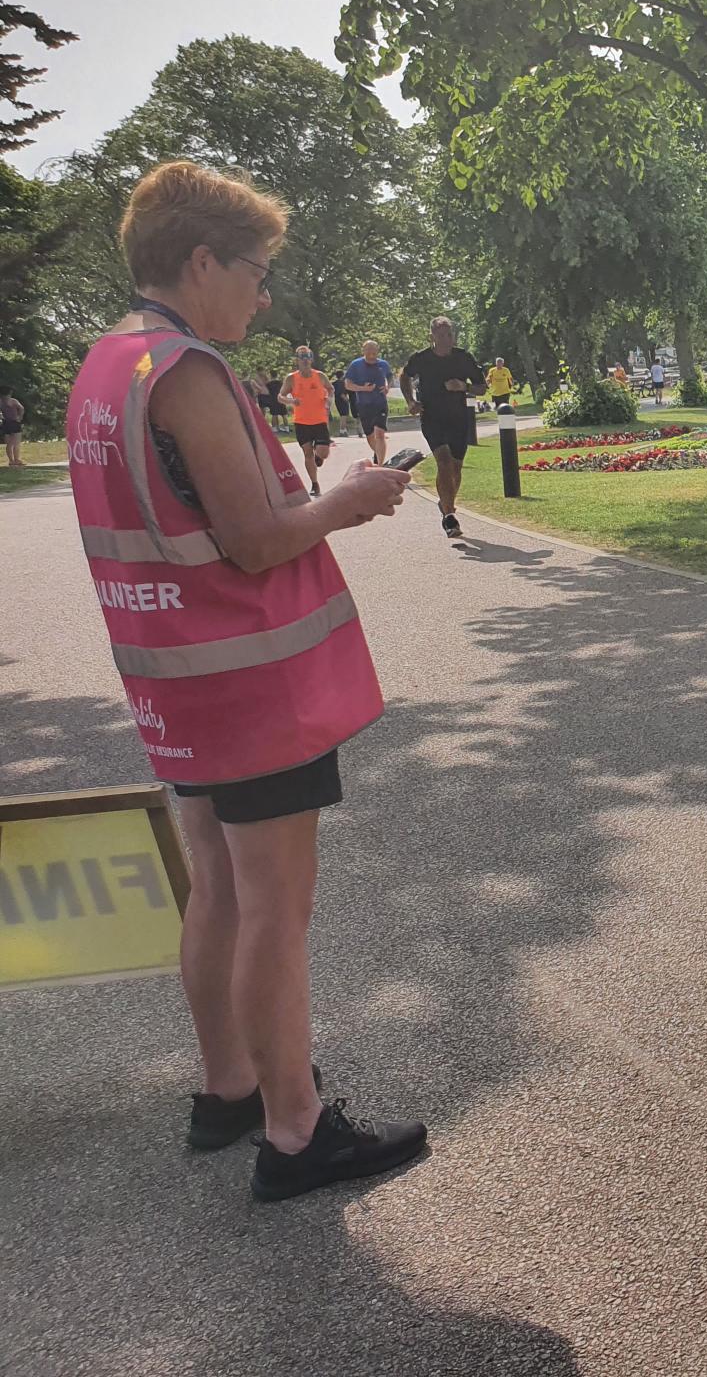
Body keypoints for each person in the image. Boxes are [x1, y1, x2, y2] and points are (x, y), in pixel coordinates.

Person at [64, 160, 424, 1201]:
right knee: (278, 903)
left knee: (217, 888)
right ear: (200, 259)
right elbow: (258, 540)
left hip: (176, 676)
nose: (264, 295)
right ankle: (297, 1128)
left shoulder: (109, 365)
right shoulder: (186, 370)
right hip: (251, 679)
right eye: (256, 271)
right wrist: (350, 500)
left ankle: (228, 1088)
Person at [401, 317, 481, 539]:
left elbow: (482, 387)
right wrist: (410, 401)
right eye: (441, 335)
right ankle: (449, 516)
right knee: (444, 462)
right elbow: (404, 377)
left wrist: (463, 386)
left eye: (449, 334)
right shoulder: (421, 359)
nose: (446, 339)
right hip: (432, 418)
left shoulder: (463, 358)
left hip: (458, 418)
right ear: (432, 337)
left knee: (455, 469)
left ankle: (446, 503)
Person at [281, 345, 333, 497]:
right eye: (302, 357)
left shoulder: (320, 376)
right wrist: (290, 401)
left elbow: (330, 389)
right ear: (297, 360)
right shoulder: (292, 378)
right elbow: (280, 396)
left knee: (323, 453)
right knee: (307, 453)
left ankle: (319, 456)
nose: (305, 360)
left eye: (308, 357)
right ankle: (314, 484)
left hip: (319, 420)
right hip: (302, 422)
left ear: (311, 359)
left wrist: (329, 400)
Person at [344, 339, 395, 466]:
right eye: (368, 352)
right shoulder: (356, 365)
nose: (371, 355)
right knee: (370, 435)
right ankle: (378, 454)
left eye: (374, 352)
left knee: (380, 433)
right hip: (364, 404)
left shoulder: (383, 364)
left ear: (377, 351)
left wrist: (388, 387)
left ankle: (380, 465)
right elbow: (348, 385)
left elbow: (390, 377)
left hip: (380, 403)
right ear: (364, 351)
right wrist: (363, 388)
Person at [2, 390, 24, 467]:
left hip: (6, 423)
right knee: (16, 443)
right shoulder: (13, 401)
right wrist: (19, 417)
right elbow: (21, 408)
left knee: (9, 444)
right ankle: (16, 459)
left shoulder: (1, 402)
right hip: (14, 422)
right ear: (9, 394)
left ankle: (11, 460)